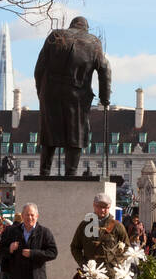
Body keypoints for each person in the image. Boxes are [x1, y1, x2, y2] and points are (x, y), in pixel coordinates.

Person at [34, 16, 111, 178]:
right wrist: (104, 99)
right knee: (76, 133)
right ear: (85, 28)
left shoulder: (55, 36)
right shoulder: (93, 42)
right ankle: (71, 173)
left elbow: (39, 67)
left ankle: (44, 172)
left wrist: (40, 92)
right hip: (77, 95)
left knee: (49, 133)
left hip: (50, 92)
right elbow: (104, 70)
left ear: (71, 26)